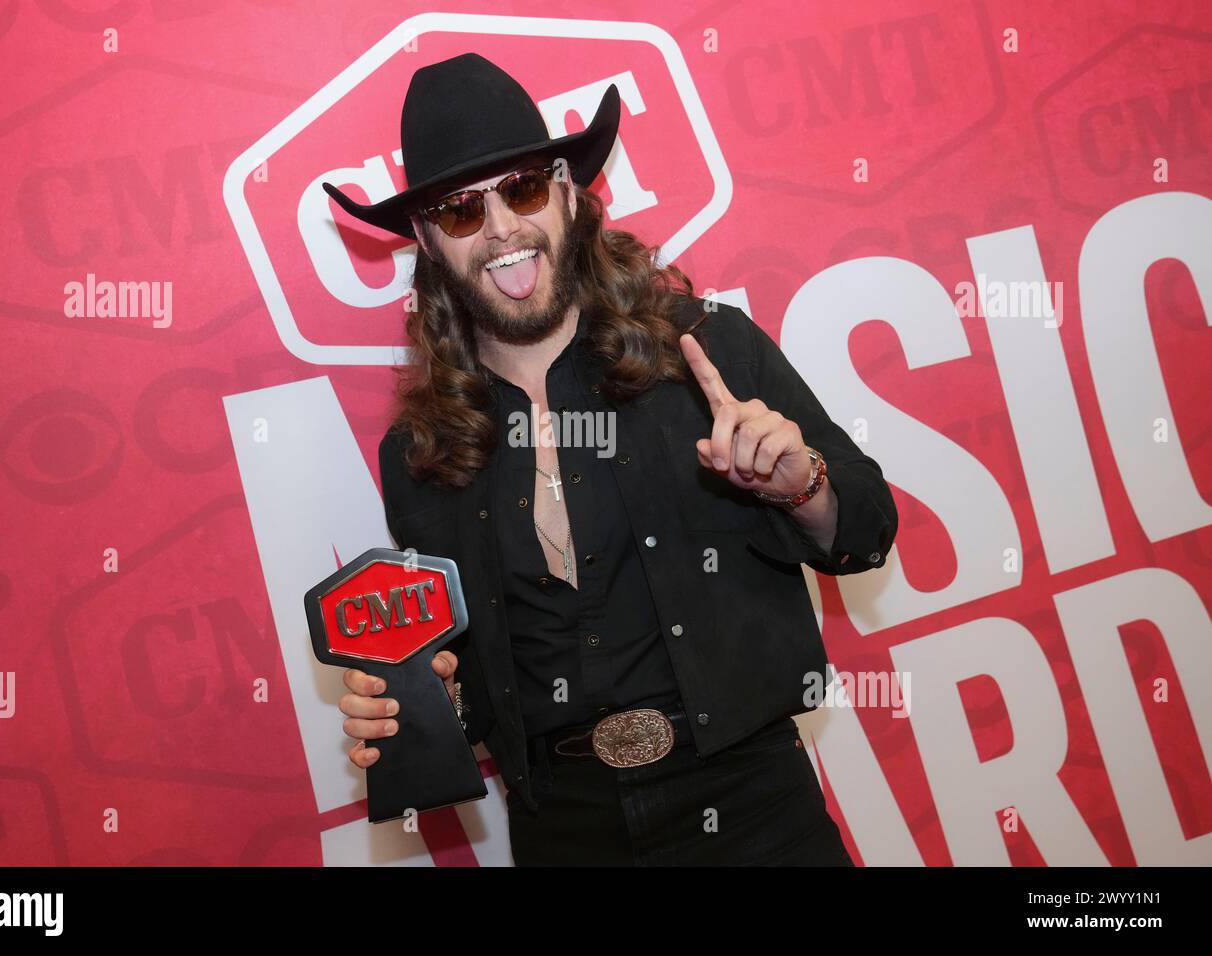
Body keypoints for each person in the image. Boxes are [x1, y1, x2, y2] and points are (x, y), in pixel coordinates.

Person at [325, 52, 897, 865]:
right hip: (564, 833)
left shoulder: (705, 350)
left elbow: (867, 531)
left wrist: (802, 485)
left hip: (753, 808)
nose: (500, 230)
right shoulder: (421, 455)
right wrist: (426, 708)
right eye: (460, 211)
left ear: (565, 191)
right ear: (427, 239)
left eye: (520, 190)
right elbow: (476, 696)